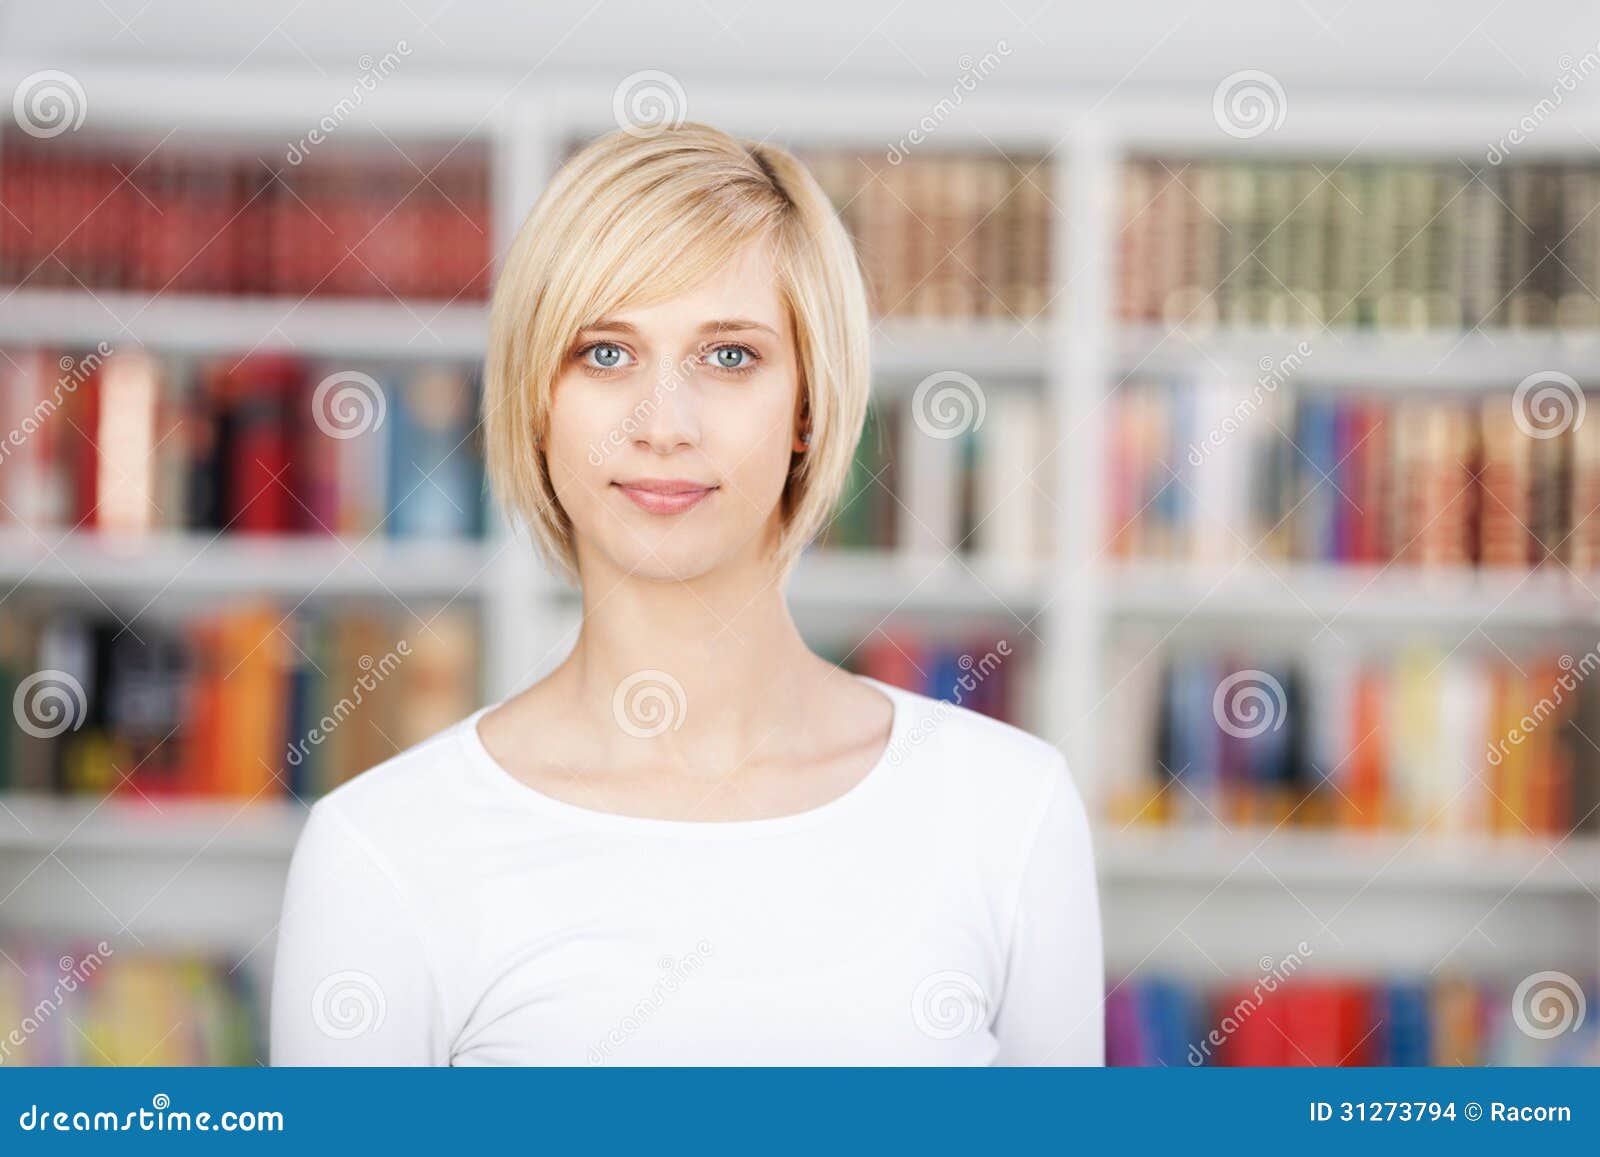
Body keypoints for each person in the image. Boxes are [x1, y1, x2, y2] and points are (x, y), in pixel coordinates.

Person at [268, 122, 1103, 1065]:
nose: (663, 425)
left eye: (730, 355)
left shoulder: (1007, 808)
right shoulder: (380, 851)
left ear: (807, 406)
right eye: (606, 353)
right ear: (537, 405)